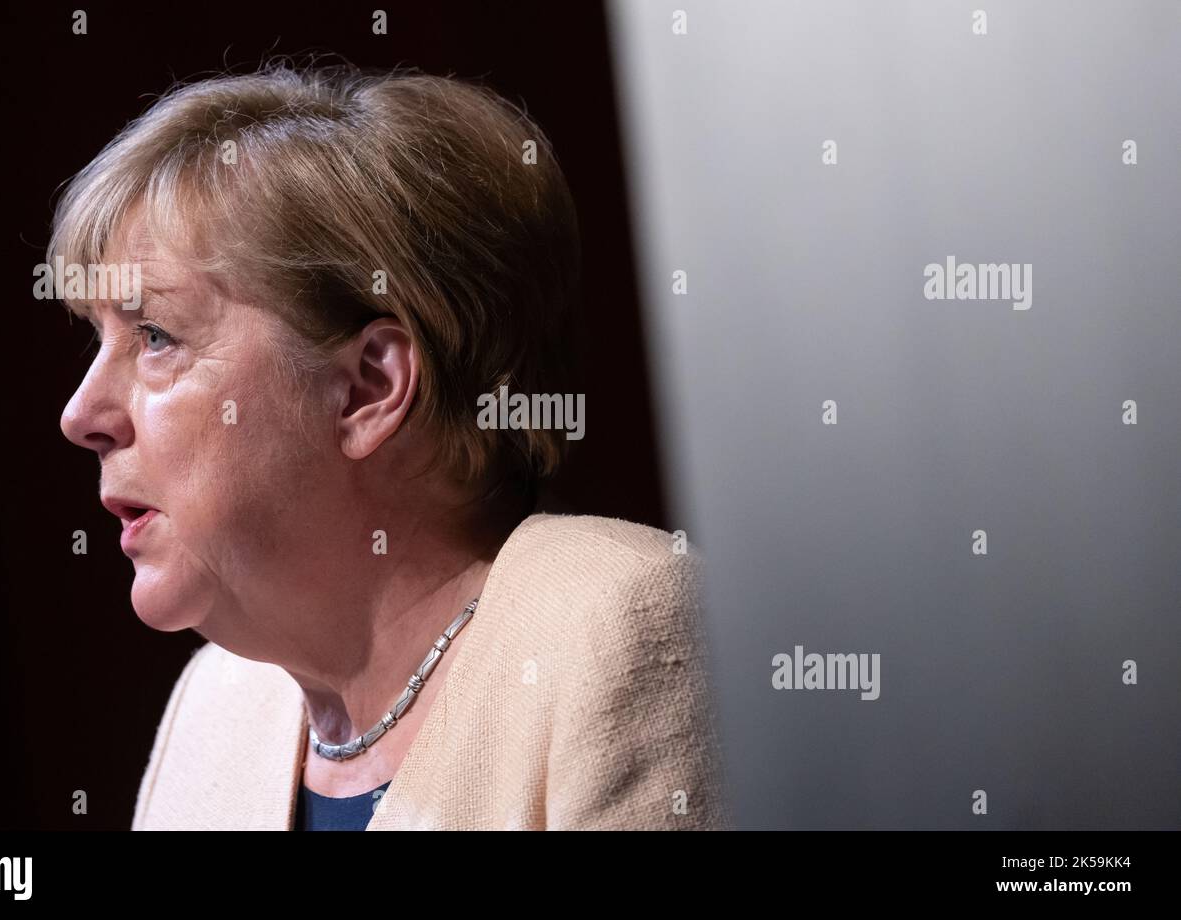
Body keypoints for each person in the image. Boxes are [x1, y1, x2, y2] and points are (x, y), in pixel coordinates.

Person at [53, 60, 730, 830]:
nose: (82, 413)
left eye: (156, 336)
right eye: (98, 341)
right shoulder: (220, 703)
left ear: (369, 388)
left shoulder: (615, 624)